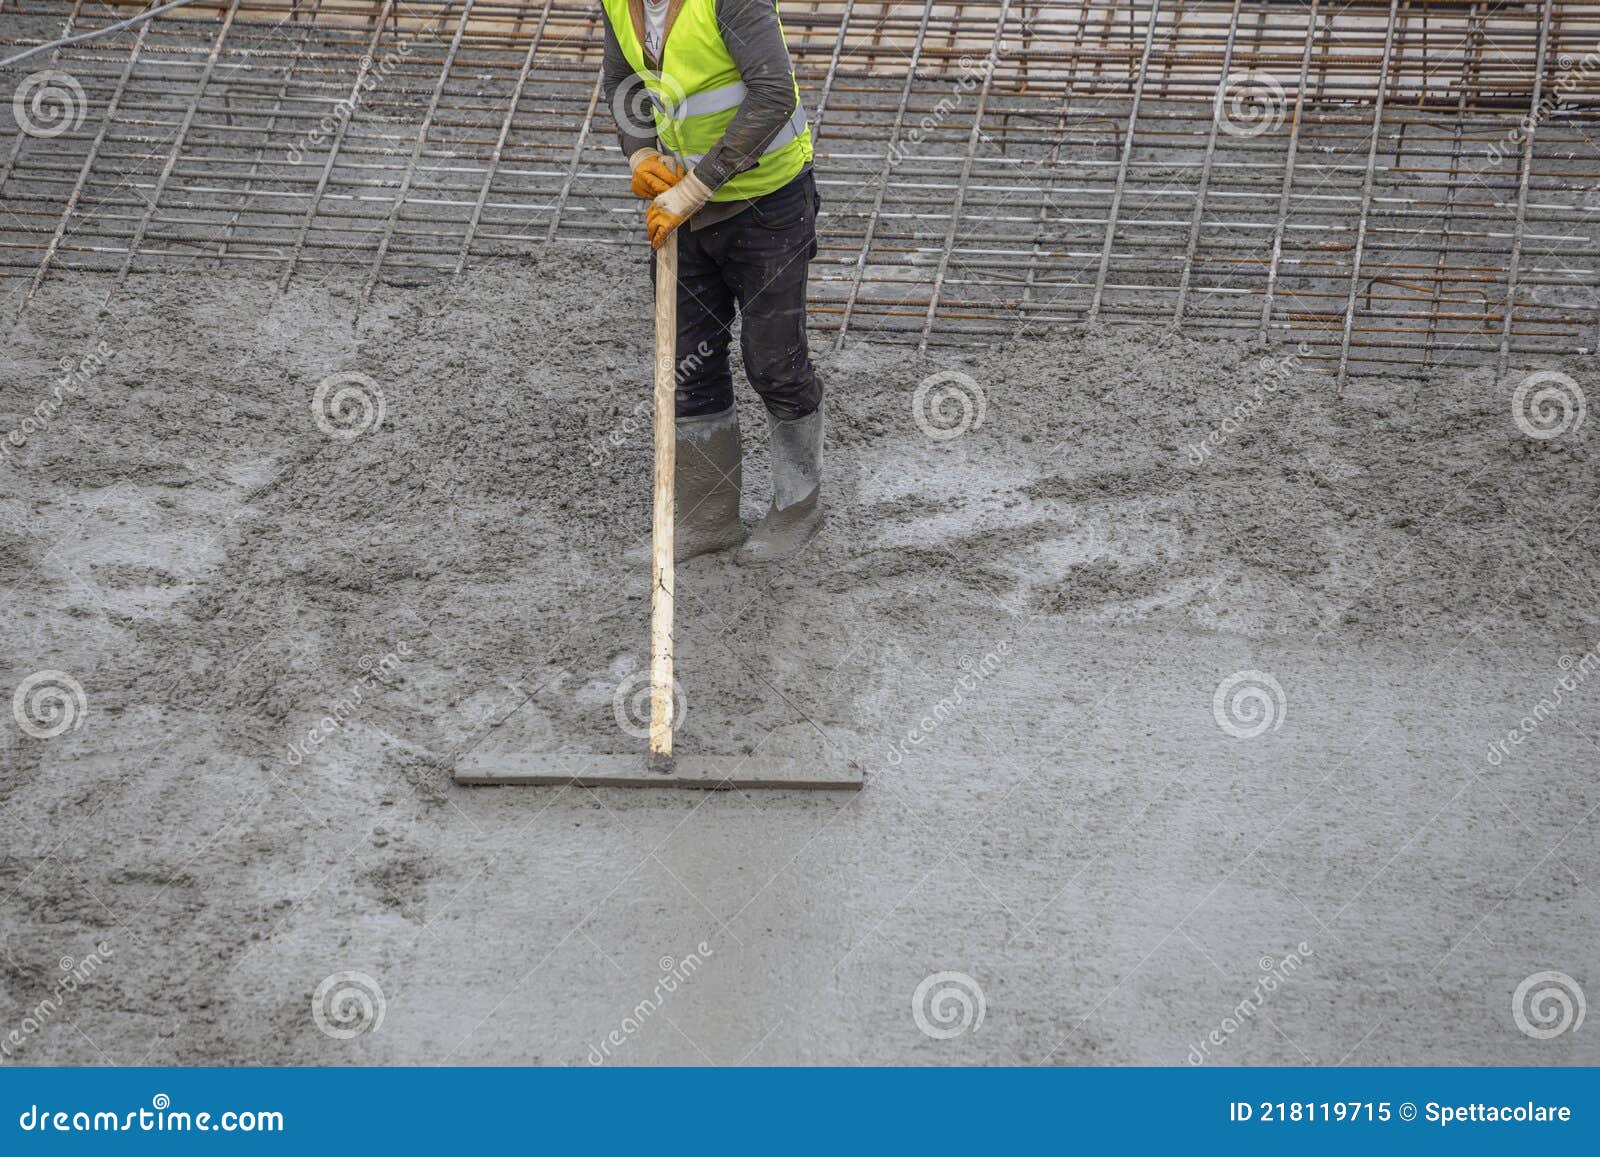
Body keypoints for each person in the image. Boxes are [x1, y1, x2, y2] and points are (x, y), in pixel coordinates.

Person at [600, 0, 823, 564]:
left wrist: (696, 187)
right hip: (682, 209)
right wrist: (641, 152)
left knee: (775, 363)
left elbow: (775, 94)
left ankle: (798, 506)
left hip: (766, 203)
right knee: (686, 361)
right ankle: (708, 519)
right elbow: (622, 78)